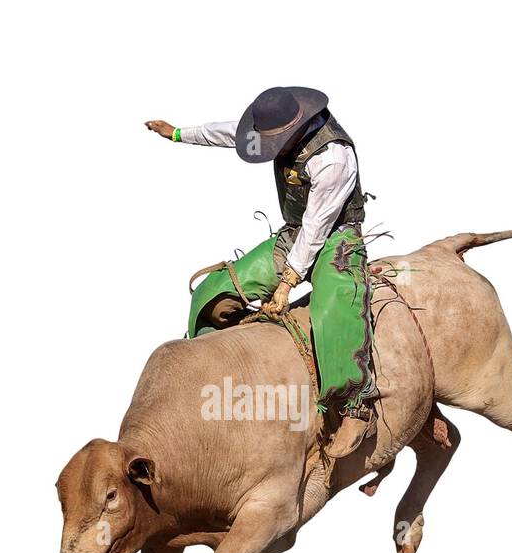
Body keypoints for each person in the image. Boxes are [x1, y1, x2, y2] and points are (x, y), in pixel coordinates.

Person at [145, 86, 376, 458]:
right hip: (294, 233)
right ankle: (208, 366)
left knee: (335, 311)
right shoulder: (274, 128)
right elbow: (225, 132)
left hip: (337, 237)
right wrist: (176, 133)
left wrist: (286, 284)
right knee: (214, 291)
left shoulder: (333, 157)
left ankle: (356, 406)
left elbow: (318, 227)